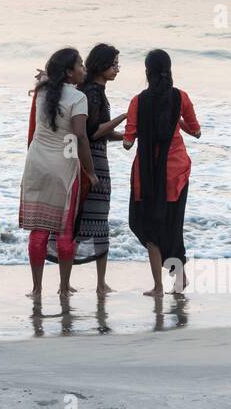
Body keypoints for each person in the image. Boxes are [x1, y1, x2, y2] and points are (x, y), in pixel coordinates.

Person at [19, 47, 97, 299]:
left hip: (36, 163)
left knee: (39, 230)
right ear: (69, 72)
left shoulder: (42, 91)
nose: (84, 69)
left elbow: (45, 79)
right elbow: (80, 137)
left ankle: (36, 289)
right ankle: (63, 287)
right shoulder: (78, 98)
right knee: (64, 231)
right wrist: (91, 171)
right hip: (64, 166)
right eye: (80, 65)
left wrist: (45, 75)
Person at [124, 49, 201, 296]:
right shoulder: (181, 97)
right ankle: (180, 278)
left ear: (147, 72)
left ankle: (158, 286)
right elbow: (196, 131)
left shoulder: (138, 101)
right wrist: (177, 121)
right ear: (169, 70)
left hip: (147, 174)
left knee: (147, 226)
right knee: (173, 225)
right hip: (177, 171)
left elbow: (128, 142)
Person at [50, 44, 126, 294]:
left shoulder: (91, 91)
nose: (117, 69)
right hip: (92, 160)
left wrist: (126, 136)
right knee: (96, 218)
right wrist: (124, 117)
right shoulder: (92, 93)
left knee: (78, 219)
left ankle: (69, 282)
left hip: (81, 157)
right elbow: (93, 132)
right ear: (102, 65)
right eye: (114, 64)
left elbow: (99, 131)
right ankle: (99, 283)